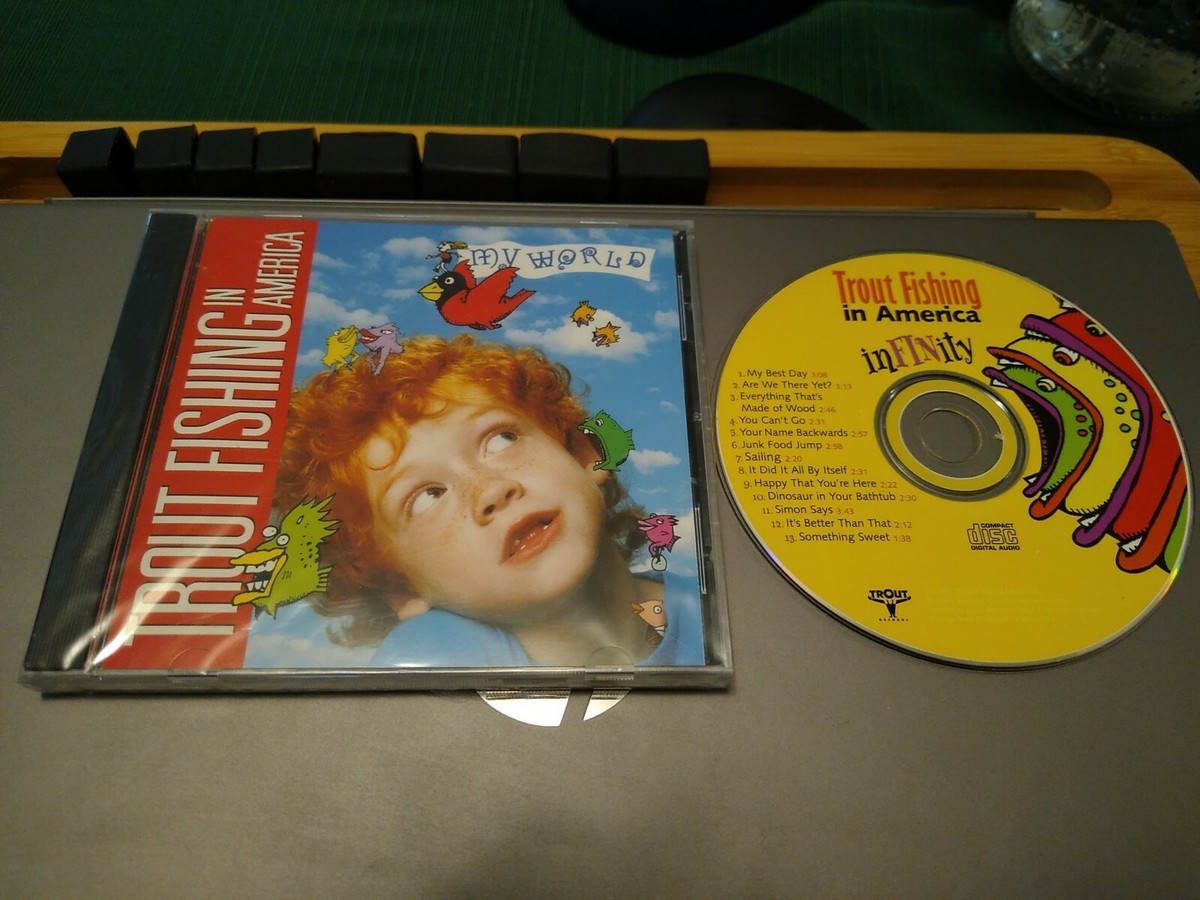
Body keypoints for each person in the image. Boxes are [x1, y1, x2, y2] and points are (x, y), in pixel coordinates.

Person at [274, 334, 705, 667]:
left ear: (583, 453)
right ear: (400, 587)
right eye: (427, 496)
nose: (490, 491)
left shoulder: (718, 609)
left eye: (501, 440)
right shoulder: (432, 661)